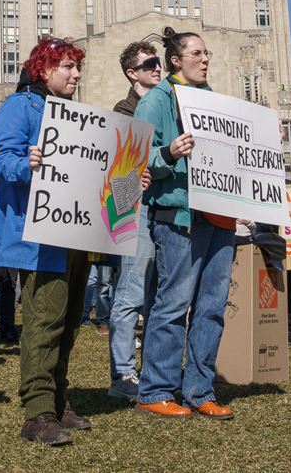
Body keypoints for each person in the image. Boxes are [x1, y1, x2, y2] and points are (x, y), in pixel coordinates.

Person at [0, 37, 93, 446]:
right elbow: (1, 162)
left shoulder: (76, 116)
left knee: (69, 322)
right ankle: (37, 412)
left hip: (75, 232)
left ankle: (58, 399)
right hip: (38, 236)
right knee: (44, 321)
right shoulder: (20, 107)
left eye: (77, 67)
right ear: (43, 70)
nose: (76, 74)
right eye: (67, 67)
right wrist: (27, 164)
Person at [134, 27, 235, 421]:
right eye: (196, 53)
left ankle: (199, 390)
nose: (205, 59)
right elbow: (135, 163)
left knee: (211, 307)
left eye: (207, 53)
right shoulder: (155, 102)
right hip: (177, 217)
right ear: (175, 61)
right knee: (173, 305)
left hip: (219, 218)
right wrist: (169, 153)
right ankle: (155, 390)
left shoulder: (211, 101)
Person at [106, 41, 160, 399]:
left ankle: (153, 371)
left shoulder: (168, 107)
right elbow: (118, 172)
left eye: (158, 62)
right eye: (150, 63)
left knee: (159, 294)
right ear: (132, 73)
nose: (158, 68)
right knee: (131, 293)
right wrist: (135, 176)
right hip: (135, 210)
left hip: (165, 208)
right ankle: (122, 375)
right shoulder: (125, 110)